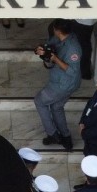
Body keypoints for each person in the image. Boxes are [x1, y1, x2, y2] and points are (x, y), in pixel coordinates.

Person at [35, 18, 82, 152]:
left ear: (57, 30)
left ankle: (53, 134)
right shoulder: (60, 37)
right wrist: (41, 50)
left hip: (64, 84)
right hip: (59, 80)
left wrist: (55, 59)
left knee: (39, 101)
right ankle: (66, 137)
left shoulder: (73, 48)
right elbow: (50, 45)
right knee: (56, 107)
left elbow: (72, 71)